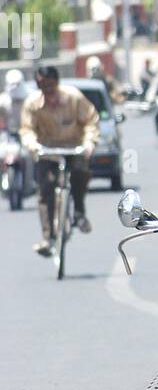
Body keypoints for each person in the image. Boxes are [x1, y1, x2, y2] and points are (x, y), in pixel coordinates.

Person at [20, 65, 100, 253]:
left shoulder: (74, 97)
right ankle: (48, 238)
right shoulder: (32, 103)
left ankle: (79, 212)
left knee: (81, 172)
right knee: (45, 190)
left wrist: (89, 143)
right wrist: (33, 146)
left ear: (57, 83)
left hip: (74, 147)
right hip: (47, 151)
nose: (47, 90)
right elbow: (26, 129)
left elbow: (91, 121)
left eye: (50, 85)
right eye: (42, 86)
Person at [0, 69, 27, 136]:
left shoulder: (30, 99)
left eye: (17, 84)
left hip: (28, 132)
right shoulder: (2, 100)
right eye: (12, 84)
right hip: (10, 134)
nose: (14, 87)